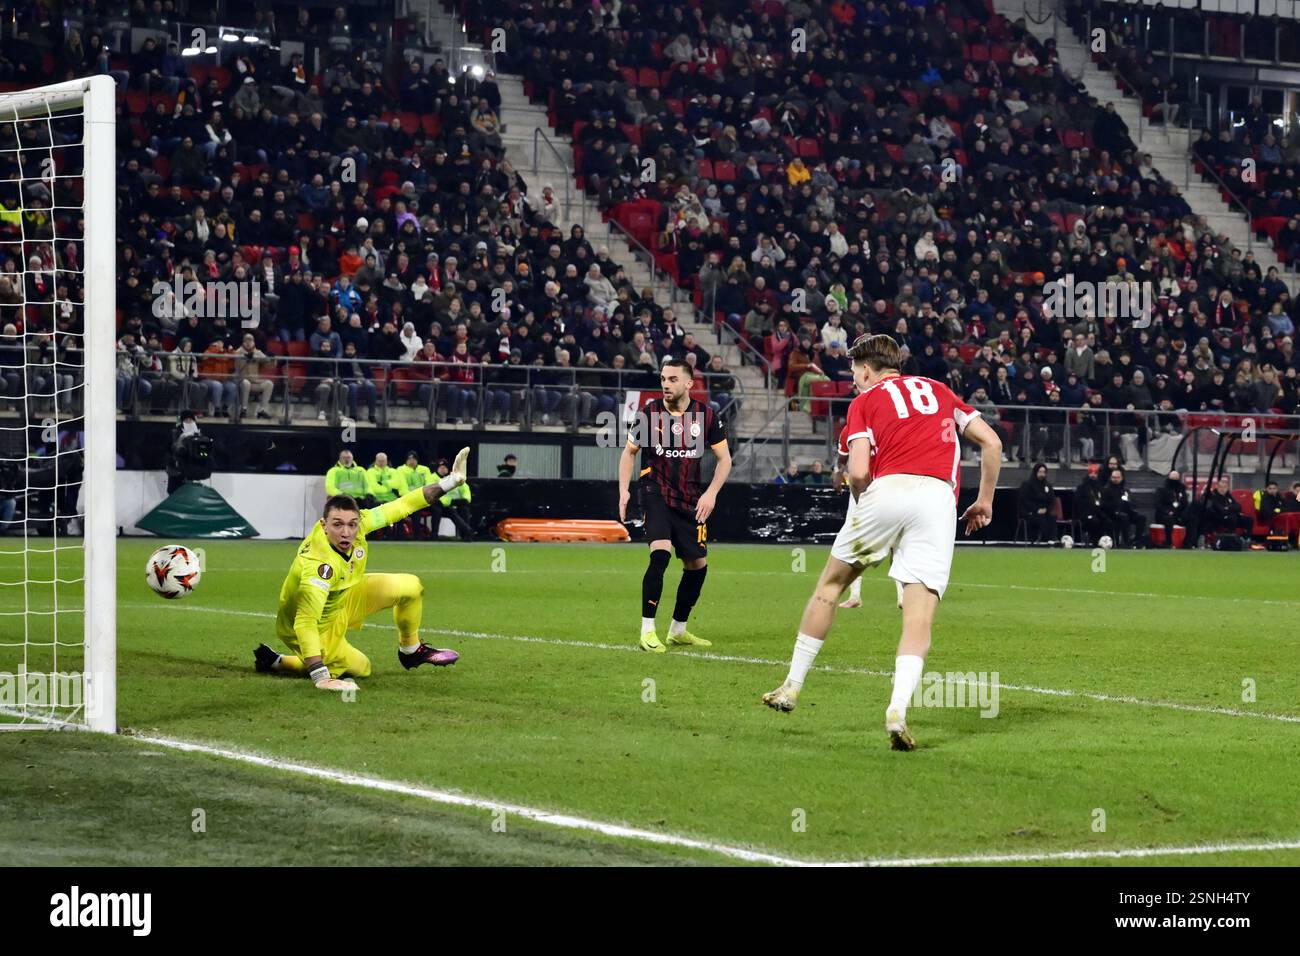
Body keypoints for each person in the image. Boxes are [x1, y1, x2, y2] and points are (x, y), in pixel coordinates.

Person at [763, 334, 1003, 751]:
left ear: (868, 369)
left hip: (887, 489)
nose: (854, 379)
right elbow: (993, 442)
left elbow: (857, 473)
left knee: (831, 586)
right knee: (918, 617)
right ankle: (897, 711)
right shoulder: (939, 390)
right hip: (938, 500)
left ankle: (791, 687)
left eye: (855, 370)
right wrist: (984, 501)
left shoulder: (865, 401)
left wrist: (866, 509)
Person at [252, 447, 472, 691]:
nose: (346, 532)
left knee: (410, 586)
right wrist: (320, 677)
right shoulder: (319, 565)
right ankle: (280, 662)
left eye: (352, 524)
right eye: (337, 525)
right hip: (317, 623)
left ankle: (411, 650)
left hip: (344, 596)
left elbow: (403, 505)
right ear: (324, 526)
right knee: (361, 668)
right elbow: (305, 623)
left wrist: (451, 482)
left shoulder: (360, 523)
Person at [618, 357, 732, 653]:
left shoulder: (706, 416)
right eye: (663, 379)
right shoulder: (648, 413)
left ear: (688, 384)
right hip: (655, 493)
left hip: (691, 498)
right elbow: (629, 453)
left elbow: (725, 459)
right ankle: (647, 630)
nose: (665, 384)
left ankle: (678, 629)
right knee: (660, 555)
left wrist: (711, 494)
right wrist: (624, 491)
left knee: (698, 566)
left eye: (671, 379)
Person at [832, 419, 864, 610]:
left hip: (884, 488)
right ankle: (855, 595)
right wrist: (838, 472)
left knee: (896, 540)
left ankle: (903, 596)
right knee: (854, 541)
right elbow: (842, 457)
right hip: (858, 492)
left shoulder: (886, 423)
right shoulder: (850, 429)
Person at [1100, 467, 1147, 548]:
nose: (1115, 479)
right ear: (1111, 478)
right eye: (1114, 477)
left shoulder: (1125, 490)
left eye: (1117, 477)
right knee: (1124, 517)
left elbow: (1132, 503)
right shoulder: (1106, 490)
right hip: (1113, 513)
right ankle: (1126, 542)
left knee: (1141, 518)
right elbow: (1103, 505)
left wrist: (1129, 503)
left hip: (1127, 512)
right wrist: (1116, 504)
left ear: (1121, 478)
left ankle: (1136, 540)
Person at [392, 450, 435, 538]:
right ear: (406, 461)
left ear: (417, 460)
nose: (412, 461)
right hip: (406, 498)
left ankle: (426, 535)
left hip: (423, 498)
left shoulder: (425, 469)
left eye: (414, 459)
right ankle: (402, 535)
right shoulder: (400, 470)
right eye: (409, 459)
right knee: (402, 511)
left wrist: (421, 496)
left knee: (435, 509)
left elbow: (429, 484)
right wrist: (413, 497)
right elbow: (402, 486)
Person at [431, 457, 474, 540]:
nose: (443, 470)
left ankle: (465, 536)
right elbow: (435, 493)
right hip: (439, 504)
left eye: (445, 468)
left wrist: (465, 499)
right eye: (441, 468)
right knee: (447, 510)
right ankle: (467, 530)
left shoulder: (455, 477)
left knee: (464, 509)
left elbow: (465, 489)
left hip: (454, 504)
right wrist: (450, 502)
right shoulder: (432, 478)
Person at [1017, 463, 1057, 543]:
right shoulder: (1027, 485)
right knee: (1040, 519)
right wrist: (1036, 510)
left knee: (1051, 519)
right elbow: (1024, 500)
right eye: (1040, 472)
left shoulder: (1047, 486)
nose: (1042, 474)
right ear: (1035, 472)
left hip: (1044, 511)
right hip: (1029, 511)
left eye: (1044, 472)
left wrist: (1046, 509)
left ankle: (1052, 540)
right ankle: (1041, 539)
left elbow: (1051, 501)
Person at [1152, 470, 1189, 547]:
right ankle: (1168, 542)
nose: (1174, 481)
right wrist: (1167, 511)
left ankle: (1188, 542)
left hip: (1178, 513)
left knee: (1191, 519)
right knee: (1169, 519)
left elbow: (1185, 503)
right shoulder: (1161, 489)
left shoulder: (1181, 489)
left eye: (1176, 478)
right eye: (1173, 478)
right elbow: (1157, 504)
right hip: (1164, 515)